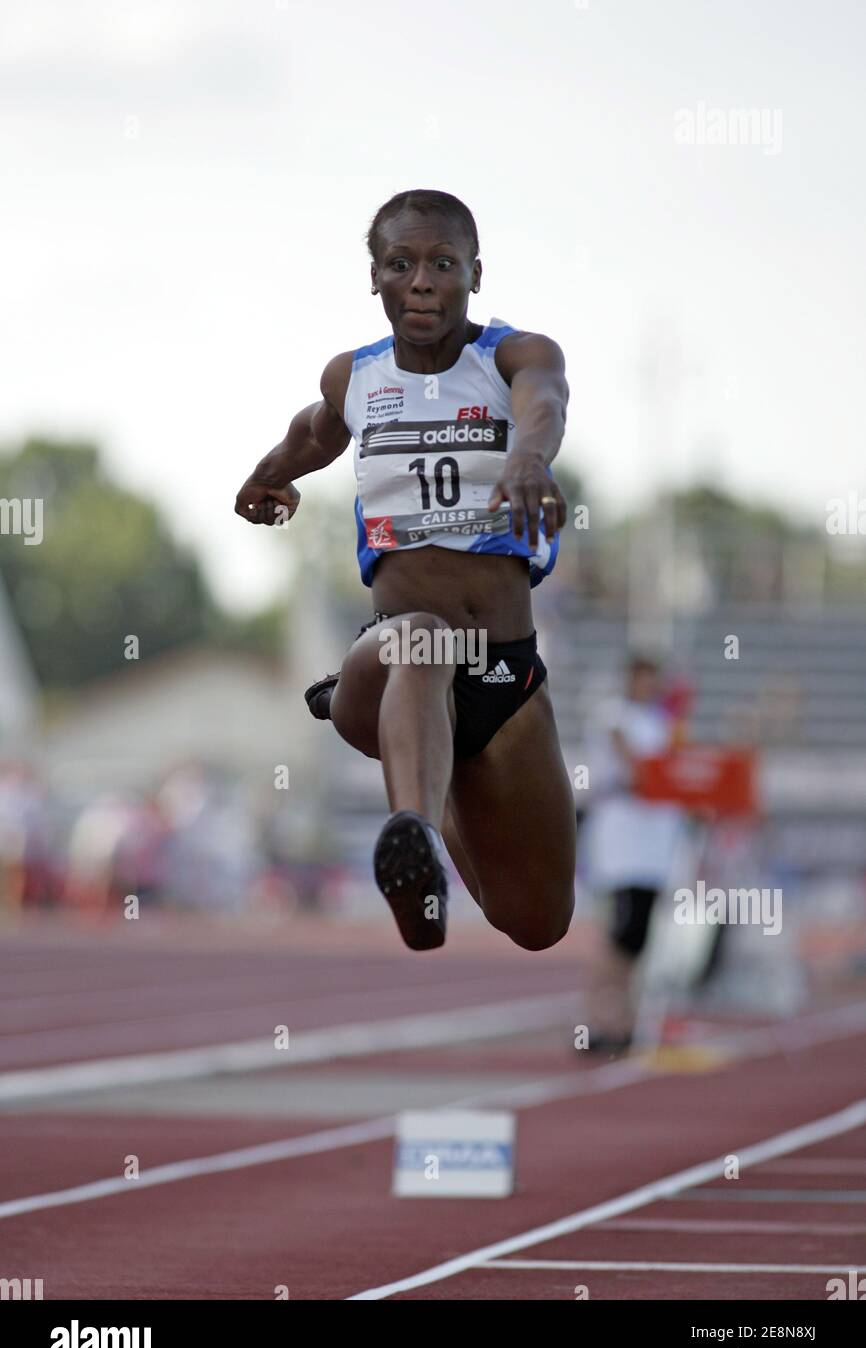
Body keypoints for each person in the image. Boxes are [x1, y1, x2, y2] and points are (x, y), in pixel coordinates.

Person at [235, 189, 576, 952]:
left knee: (537, 922)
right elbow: (311, 437)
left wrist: (525, 458)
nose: (421, 281)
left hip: (505, 680)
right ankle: (412, 826)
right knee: (422, 639)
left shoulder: (516, 358)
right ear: (376, 278)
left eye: (442, 264)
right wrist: (265, 479)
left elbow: (543, 404)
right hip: (391, 660)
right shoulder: (354, 379)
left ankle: (434, 803)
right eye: (401, 263)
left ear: (474, 275)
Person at [579, 655, 684, 1047]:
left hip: (655, 843)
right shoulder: (614, 715)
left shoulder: (661, 723)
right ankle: (598, 1018)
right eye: (643, 679)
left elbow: (671, 768)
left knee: (639, 938)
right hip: (623, 840)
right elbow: (638, 766)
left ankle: (624, 1022)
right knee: (619, 934)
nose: (649, 687)